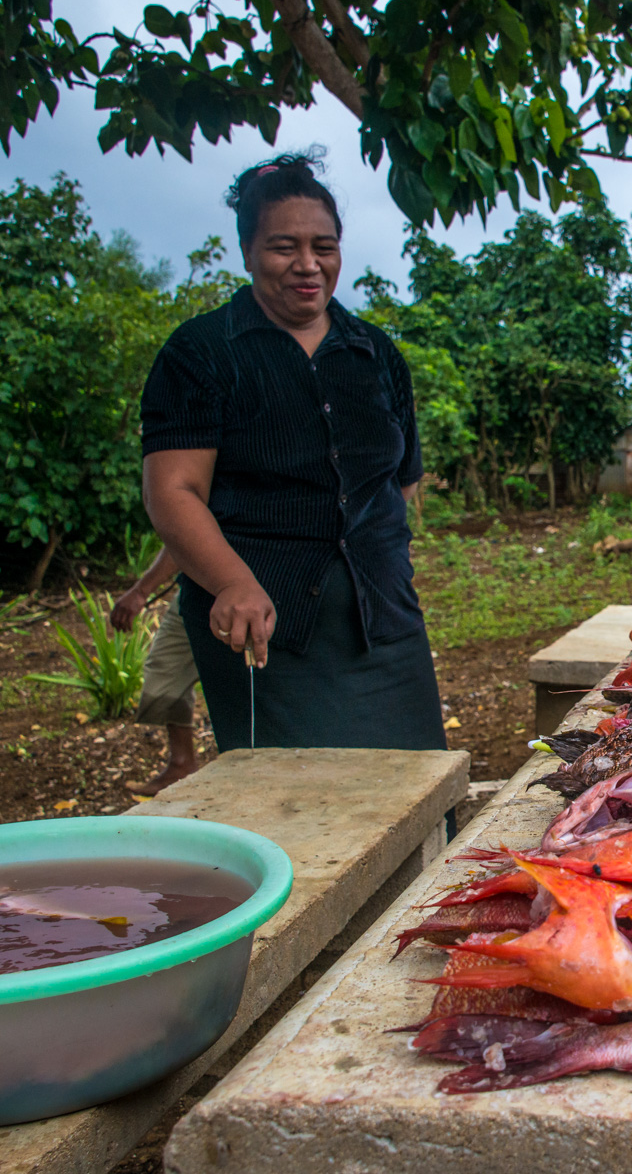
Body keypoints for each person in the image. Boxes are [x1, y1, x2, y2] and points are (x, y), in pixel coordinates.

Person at [139, 152, 446, 752]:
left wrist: (375, 553)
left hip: (383, 622)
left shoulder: (374, 353)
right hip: (262, 634)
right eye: (284, 247)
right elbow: (173, 491)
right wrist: (233, 581)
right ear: (247, 249)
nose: (308, 265)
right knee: (299, 813)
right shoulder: (200, 353)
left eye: (324, 247)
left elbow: (399, 481)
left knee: (417, 791)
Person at [110, 546, 201, 795]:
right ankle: (181, 765)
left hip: (254, 587)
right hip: (197, 588)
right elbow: (183, 534)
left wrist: (141, 591)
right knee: (166, 666)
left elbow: (187, 532)